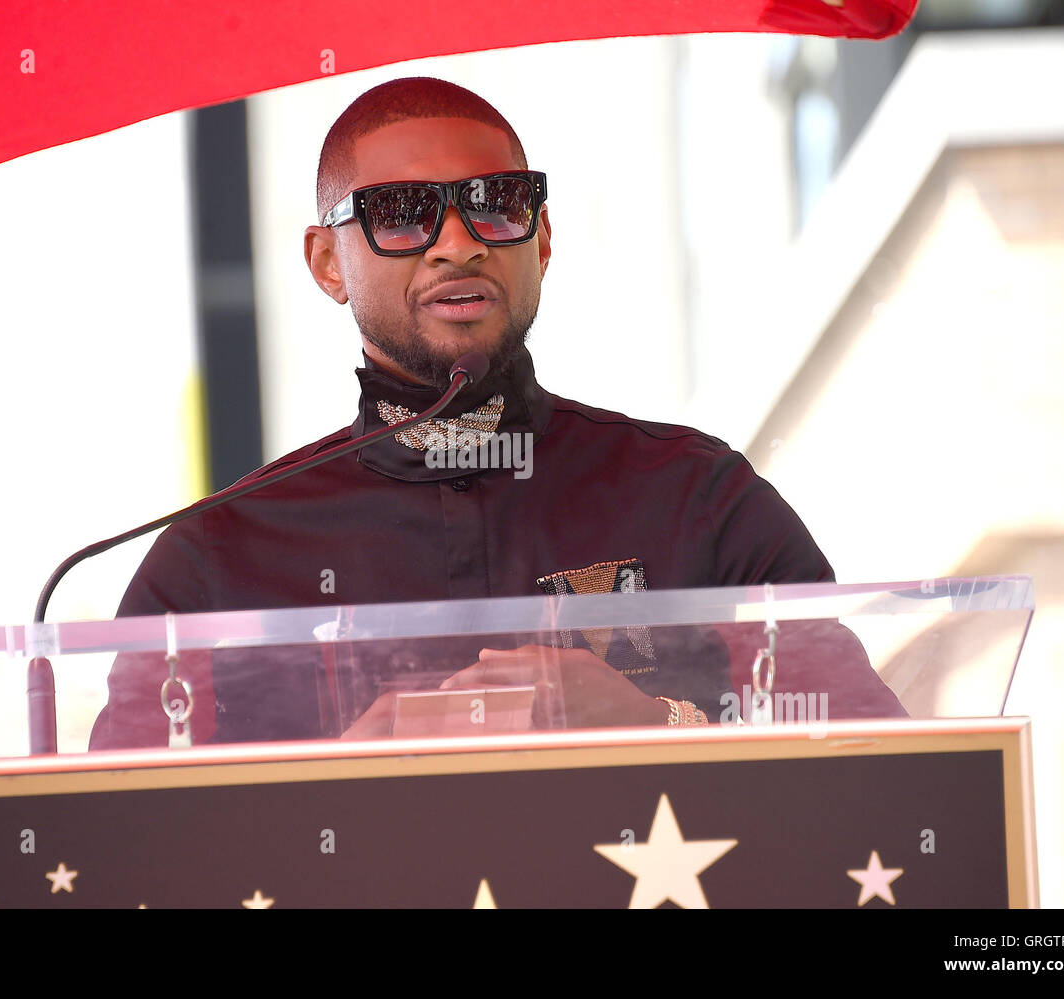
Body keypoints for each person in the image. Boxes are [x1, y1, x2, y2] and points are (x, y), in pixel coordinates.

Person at [88, 77, 904, 751]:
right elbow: (128, 845)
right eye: (404, 213)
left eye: (495, 203)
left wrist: (652, 724)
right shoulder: (216, 558)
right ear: (327, 262)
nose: (458, 241)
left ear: (541, 238)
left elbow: (868, 763)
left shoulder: (696, 498)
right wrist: (331, 778)